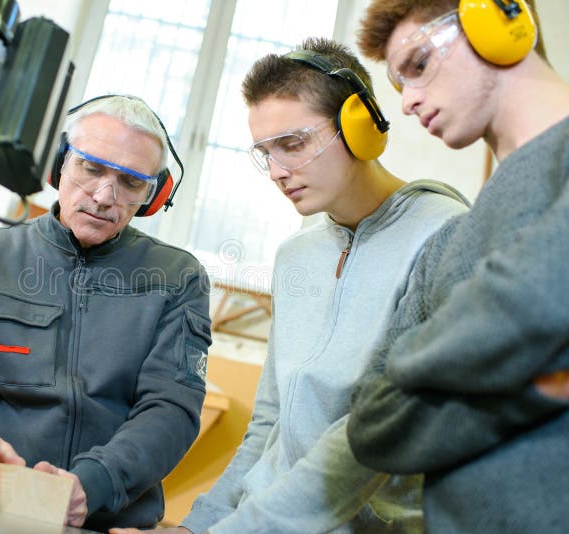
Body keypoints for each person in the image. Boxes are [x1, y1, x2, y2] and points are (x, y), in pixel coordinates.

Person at [114, 37, 469, 534]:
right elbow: (268, 426)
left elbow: (382, 441)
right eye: (265, 153)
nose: (278, 172)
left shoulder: (445, 236)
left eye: (294, 144)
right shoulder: (296, 254)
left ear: (361, 126)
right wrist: (199, 525)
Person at [0, 95, 212, 532]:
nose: (103, 196)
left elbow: (170, 409)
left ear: (154, 197)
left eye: (131, 182)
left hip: (106, 522)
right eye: (91, 168)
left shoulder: (178, 278)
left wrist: (93, 485)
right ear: (58, 166)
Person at [346, 1, 569, 531]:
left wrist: (424, 368)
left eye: (419, 64)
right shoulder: (448, 243)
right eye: (398, 85)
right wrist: (530, 388)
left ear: (499, 20)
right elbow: (370, 421)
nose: (407, 104)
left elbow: (534, 301)